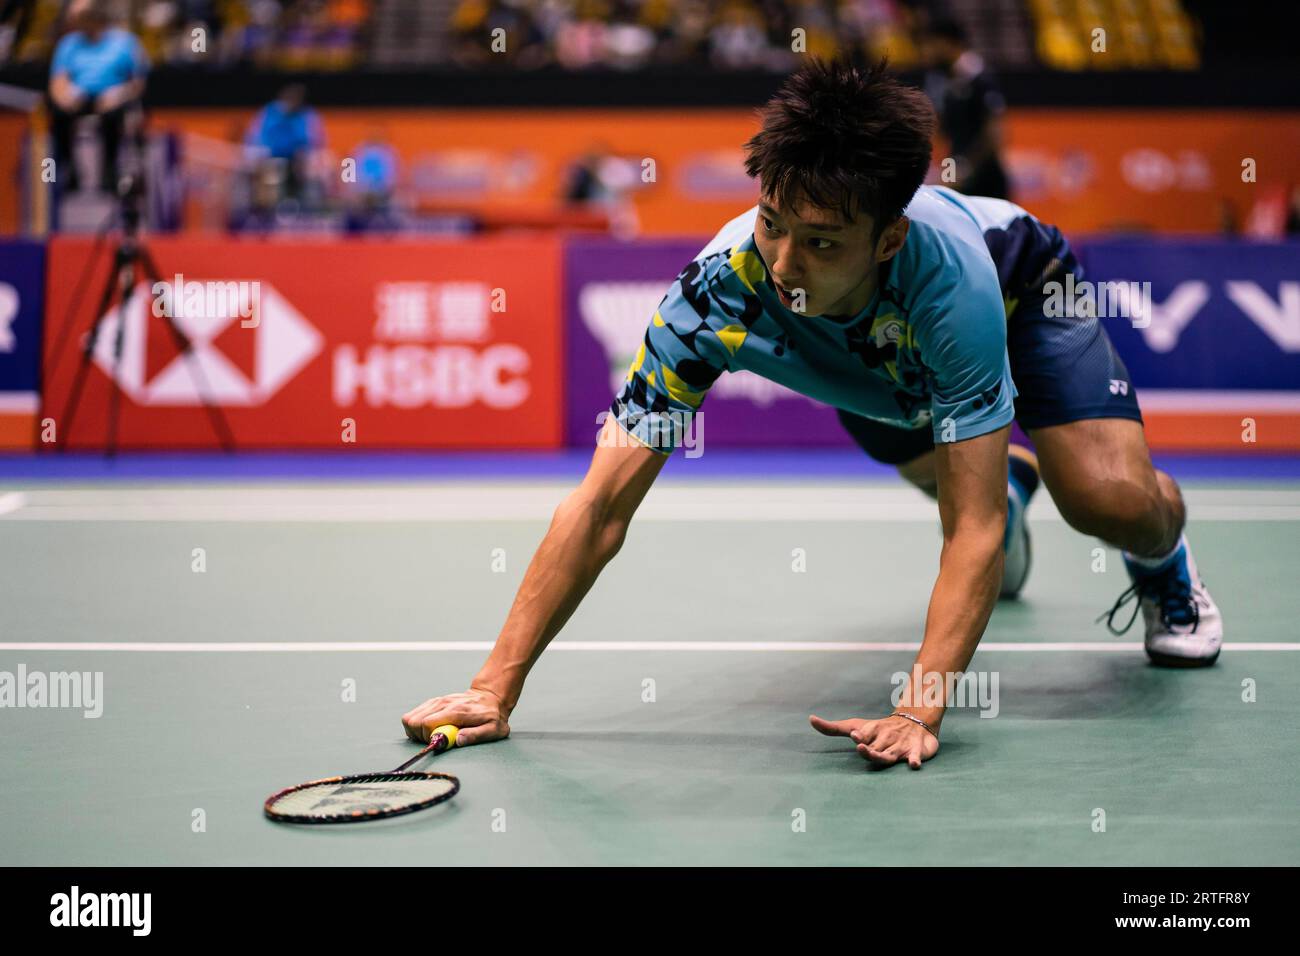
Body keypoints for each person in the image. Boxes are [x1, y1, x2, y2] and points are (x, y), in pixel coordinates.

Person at [401, 57, 1223, 770]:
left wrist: (918, 708)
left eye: (822, 243)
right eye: (772, 224)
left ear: (888, 238)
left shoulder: (954, 285)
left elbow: (963, 532)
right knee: (969, 495)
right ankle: (1003, 480)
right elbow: (601, 503)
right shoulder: (716, 292)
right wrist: (491, 689)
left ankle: (1165, 563)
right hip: (866, 366)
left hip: (1019, 295)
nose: (785, 265)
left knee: (1103, 499)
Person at [47, 0, 149, 195]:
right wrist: (65, 97)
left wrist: (119, 94)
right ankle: (71, 171)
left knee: (113, 116)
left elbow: (138, 83)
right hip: (80, 98)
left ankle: (108, 172)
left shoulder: (125, 42)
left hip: (112, 98)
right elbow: (57, 82)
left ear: (97, 17)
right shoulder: (68, 44)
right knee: (58, 113)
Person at [921, 17, 1010, 200]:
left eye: (932, 44)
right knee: (946, 203)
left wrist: (968, 167)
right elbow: (946, 136)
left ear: (949, 43)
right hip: (955, 167)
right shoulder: (939, 79)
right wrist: (948, 173)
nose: (928, 51)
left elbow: (994, 133)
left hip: (986, 176)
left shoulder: (979, 78)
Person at [243, 83, 325, 205]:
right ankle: (265, 205)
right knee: (261, 165)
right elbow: (254, 138)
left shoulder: (308, 115)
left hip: (298, 159)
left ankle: (305, 204)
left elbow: (315, 140)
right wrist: (263, 154)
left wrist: (304, 154)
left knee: (312, 164)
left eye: (297, 99)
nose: (293, 102)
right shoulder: (268, 113)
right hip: (270, 157)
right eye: (290, 98)